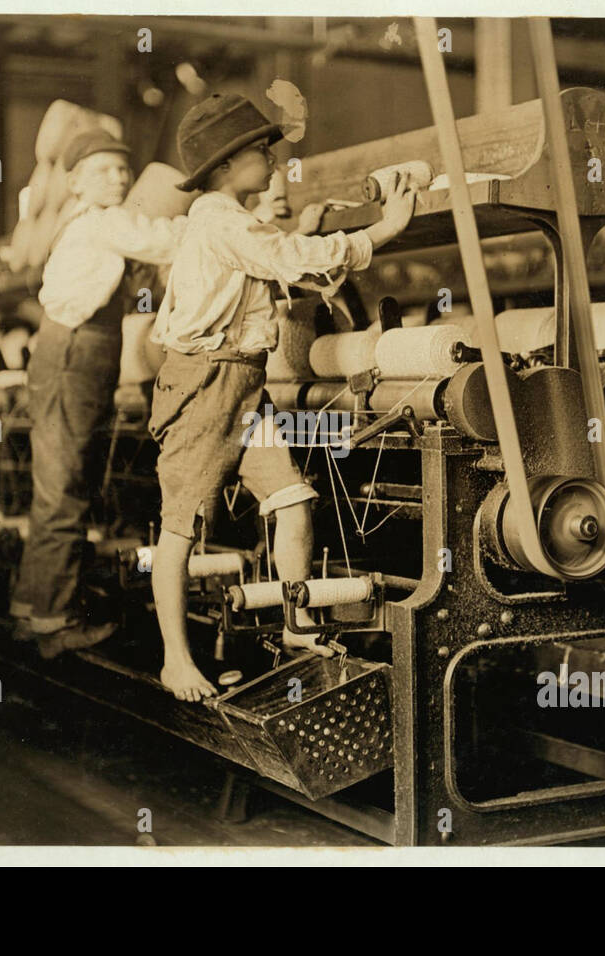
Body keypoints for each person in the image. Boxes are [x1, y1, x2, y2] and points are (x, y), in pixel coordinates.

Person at [149, 93, 416, 700]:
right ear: (223, 166)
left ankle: (296, 622)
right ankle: (174, 660)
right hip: (204, 384)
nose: (274, 160)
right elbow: (292, 258)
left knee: (292, 499)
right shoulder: (220, 219)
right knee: (181, 529)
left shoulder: (234, 221)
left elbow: (293, 259)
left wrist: (327, 231)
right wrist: (383, 230)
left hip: (244, 382)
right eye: (260, 150)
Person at [11, 128, 187, 659]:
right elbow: (169, 239)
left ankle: (35, 607)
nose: (118, 177)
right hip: (76, 357)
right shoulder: (104, 222)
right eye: (103, 170)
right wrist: (222, 219)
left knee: (59, 488)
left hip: (69, 353)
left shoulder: (82, 223)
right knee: (65, 489)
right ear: (74, 182)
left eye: (122, 169)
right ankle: (56, 624)